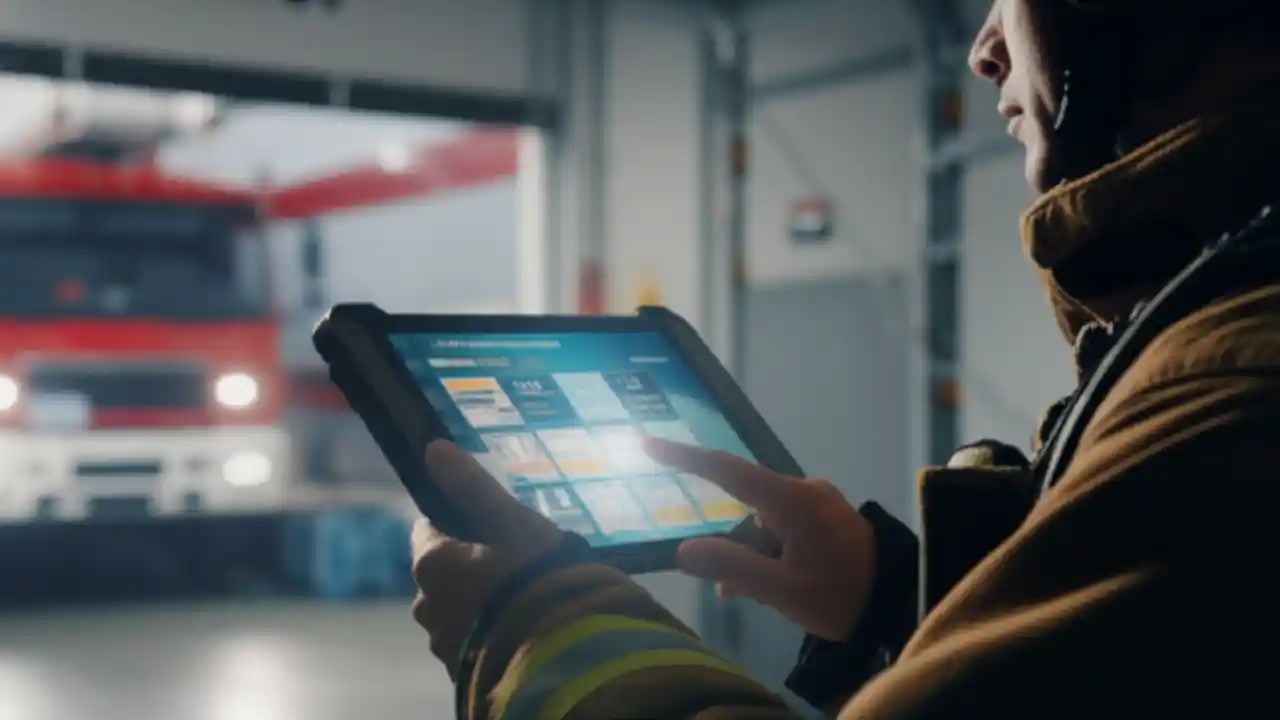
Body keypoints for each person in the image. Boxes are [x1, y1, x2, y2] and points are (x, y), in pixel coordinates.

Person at [408, 0, 1280, 716]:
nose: (983, 49)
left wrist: (539, 631)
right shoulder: (1209, 317)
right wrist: (898, 594)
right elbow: (1140, 670)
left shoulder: (1239, 382)